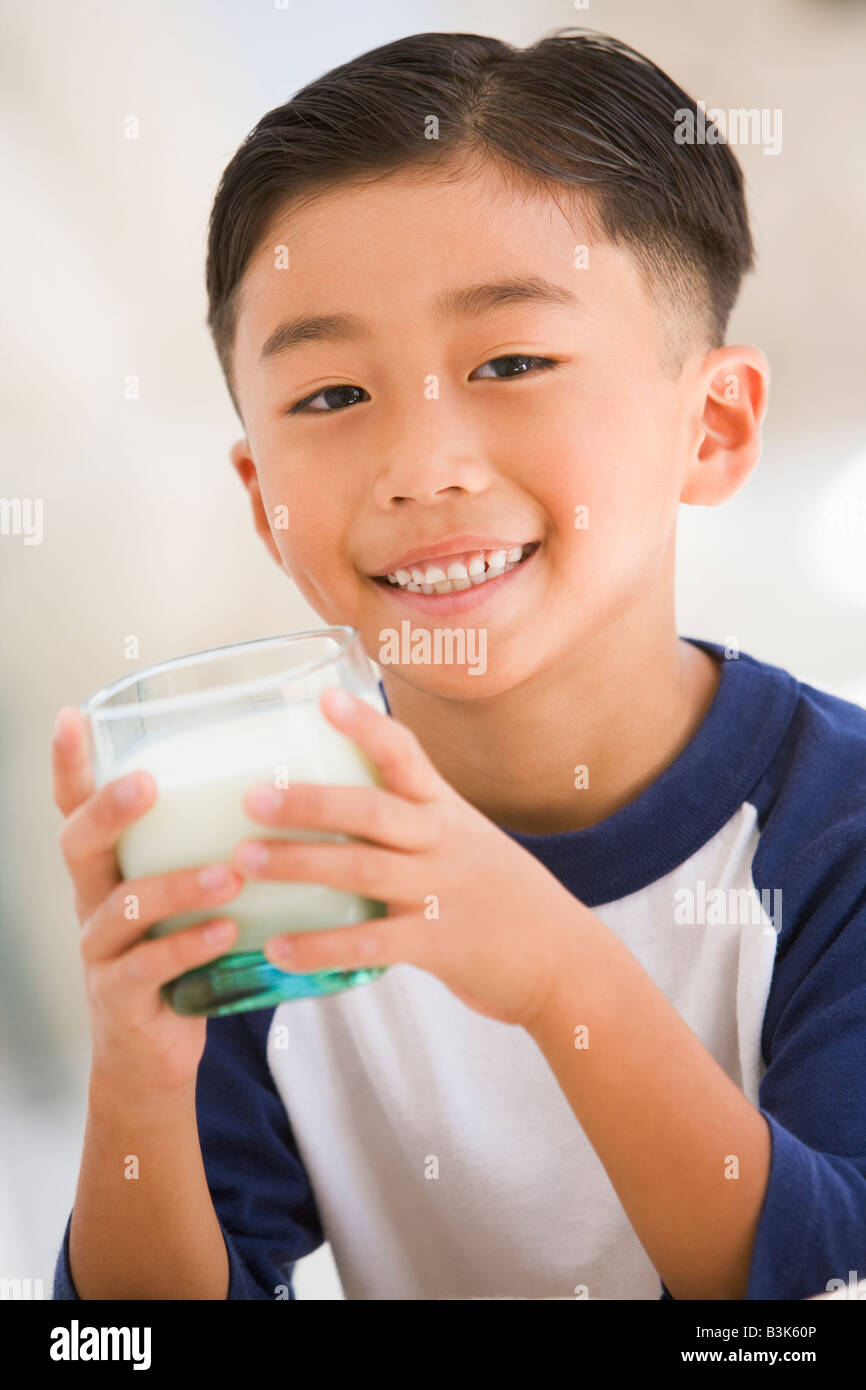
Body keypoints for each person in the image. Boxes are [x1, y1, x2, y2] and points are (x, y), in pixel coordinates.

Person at [51, 29, 866, 1300]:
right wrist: (139, 1084)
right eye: (329, 395)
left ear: (709, 427)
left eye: (511, 363)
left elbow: (822, 1293)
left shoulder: (837, 834)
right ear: (263, 501)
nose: (422, 464)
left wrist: (549, 966)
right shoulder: (276, 862)